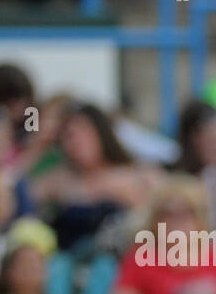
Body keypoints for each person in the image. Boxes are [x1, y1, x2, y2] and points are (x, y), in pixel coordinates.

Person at [28, 103, 159, 252]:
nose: (77, 142)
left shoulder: (133, 176)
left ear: (100, 133)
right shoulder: (58, 179)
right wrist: (35, 149)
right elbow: (19, 198)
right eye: (69, 136)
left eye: (84, 133)